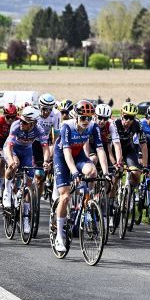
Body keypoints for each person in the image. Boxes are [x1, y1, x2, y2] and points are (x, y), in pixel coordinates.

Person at [53, 100, 109, 253]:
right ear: (76, 117)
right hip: (62, 157)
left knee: (92, 172)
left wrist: (106, 172)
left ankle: (87, 201)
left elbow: (100, 149)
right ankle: (59, 236)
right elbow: (66, 152)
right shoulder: (67, 126)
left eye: (89, 118)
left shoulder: (93, 126)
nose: (86, 121)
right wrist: (73, 171)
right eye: (83, 118)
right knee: (65, 197)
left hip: (79, 156)